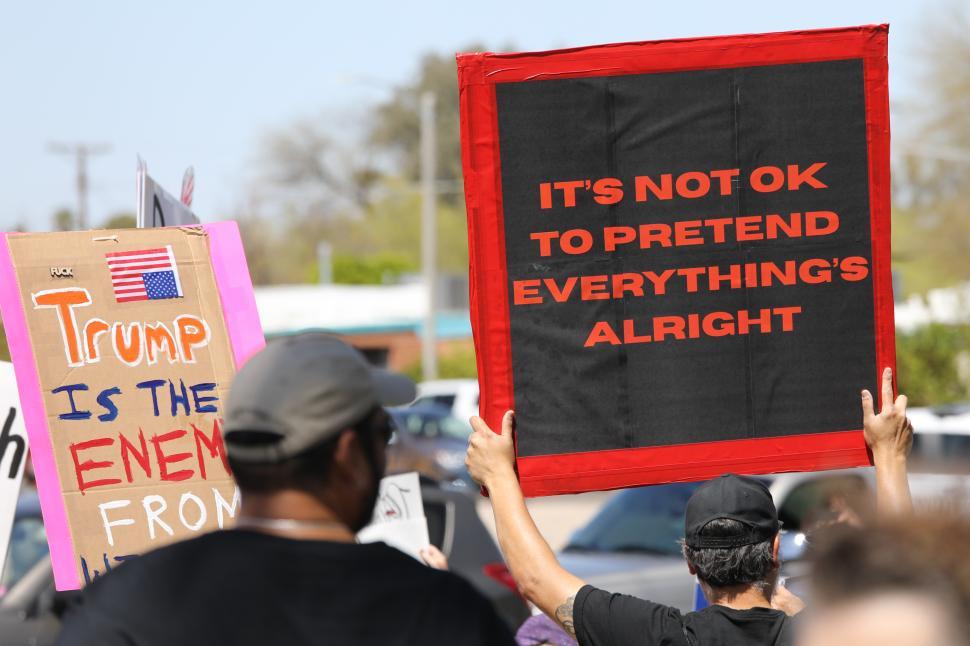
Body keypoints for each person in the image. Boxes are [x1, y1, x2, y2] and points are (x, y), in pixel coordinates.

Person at [58, 334, 515, 646]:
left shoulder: (131, 599)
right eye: (383, 433)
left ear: (228, 456)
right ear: (349, 453)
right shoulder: (442, 613)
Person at [465, 367, 912, 646]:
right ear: (775, 551)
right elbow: (906, 580)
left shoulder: (661, 635)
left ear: (690, 563)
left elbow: (536, 580)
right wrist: (889, 456)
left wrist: (500, 475)